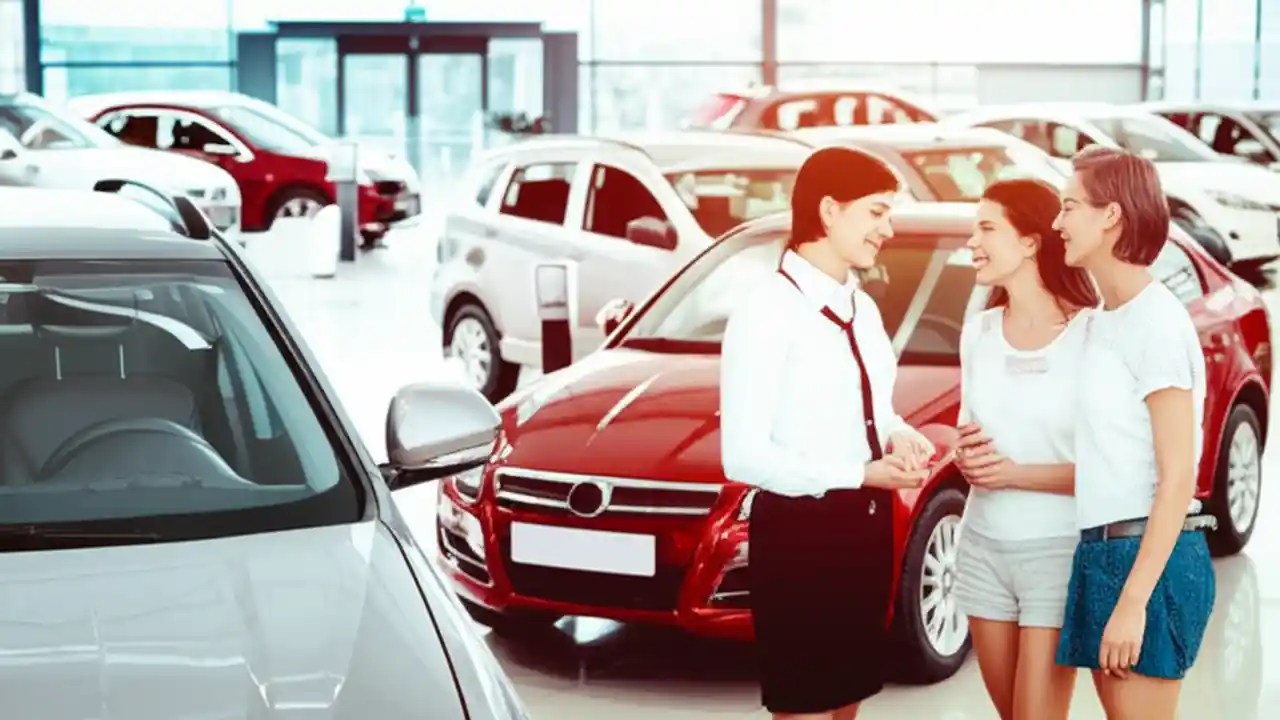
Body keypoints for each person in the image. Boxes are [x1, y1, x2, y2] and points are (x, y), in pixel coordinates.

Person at [720, 145, 937, 720]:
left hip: (864, 531)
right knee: (807, 704)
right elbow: (742, 455)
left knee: (847, 701)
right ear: (829, 210)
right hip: (800, 537)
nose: (888, 229)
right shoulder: (767, 310)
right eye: (876, 212)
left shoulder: (861, 308)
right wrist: (860, 473)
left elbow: (871, 410)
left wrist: (898, 432)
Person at [1052, 145, 1214, 719]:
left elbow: (1178, 478)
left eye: (1069, 206)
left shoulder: (1157, 323)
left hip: (1147, 560)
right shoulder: (1104, 319)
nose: (1057, 223)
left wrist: (1133, 602)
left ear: (1112, 216)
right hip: (1101, 550)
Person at [951, 178, 1099, 720]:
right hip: (981, 549)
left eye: (986, 228)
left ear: (1031, 241)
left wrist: (1014, 474)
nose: (972, 242)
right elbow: (970, 434)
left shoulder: (1093, 334)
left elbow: (1115, 470)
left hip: (1057, 553)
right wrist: (964, 456)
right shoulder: (978, 332)